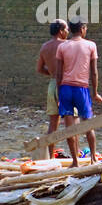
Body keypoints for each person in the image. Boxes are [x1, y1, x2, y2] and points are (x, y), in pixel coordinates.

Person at [55, 21, 102, 166]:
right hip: (81, 89)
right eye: (85, 28)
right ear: (82, 29)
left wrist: (59, 94)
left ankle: (75, 161)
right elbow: (94, 72)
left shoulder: (62, 46)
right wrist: (95, 93)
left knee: (70, 129)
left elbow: (58, 74)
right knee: (88, 125)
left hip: (66, 89)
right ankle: (93, 158)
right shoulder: (90, 45)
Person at [36, 19, 70, 159]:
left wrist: (51, 73)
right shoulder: (68, 45)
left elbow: (39, 69)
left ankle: (50, 157)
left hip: (52, 85)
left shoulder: (45, 47)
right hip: (67, 84)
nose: (68, 31)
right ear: (61, 31)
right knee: (71, 124)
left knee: (52, 125)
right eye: (66, 29)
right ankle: (75, 158)